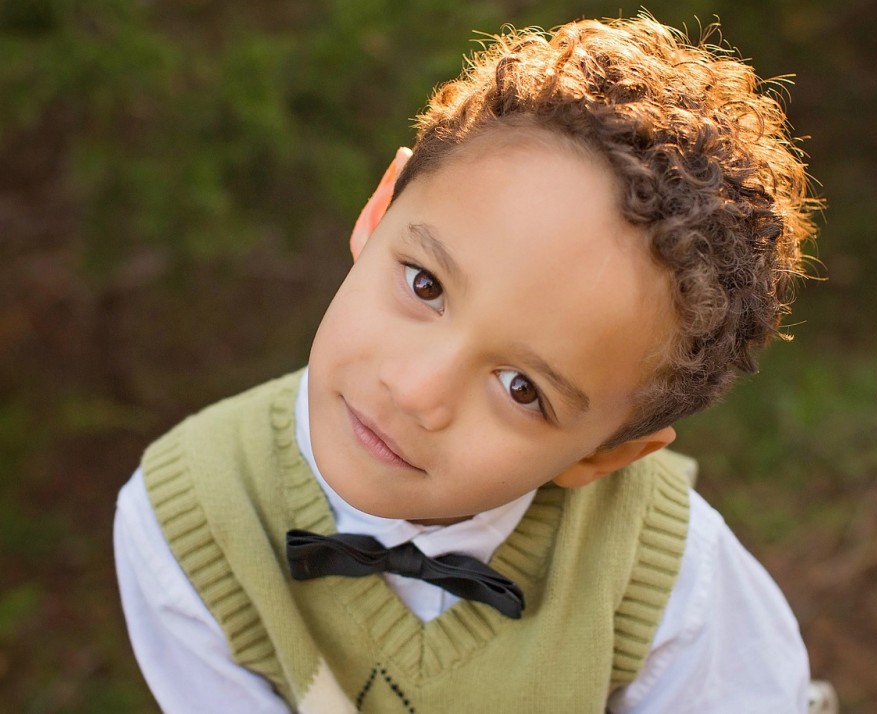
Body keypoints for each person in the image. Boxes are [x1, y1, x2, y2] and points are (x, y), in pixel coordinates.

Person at [115, 14, 820, 713]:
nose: (415, 392)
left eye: (521, 389)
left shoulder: (674, 587)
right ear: (379, 210)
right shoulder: (187, 523)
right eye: (426, 285)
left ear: (604, 456)